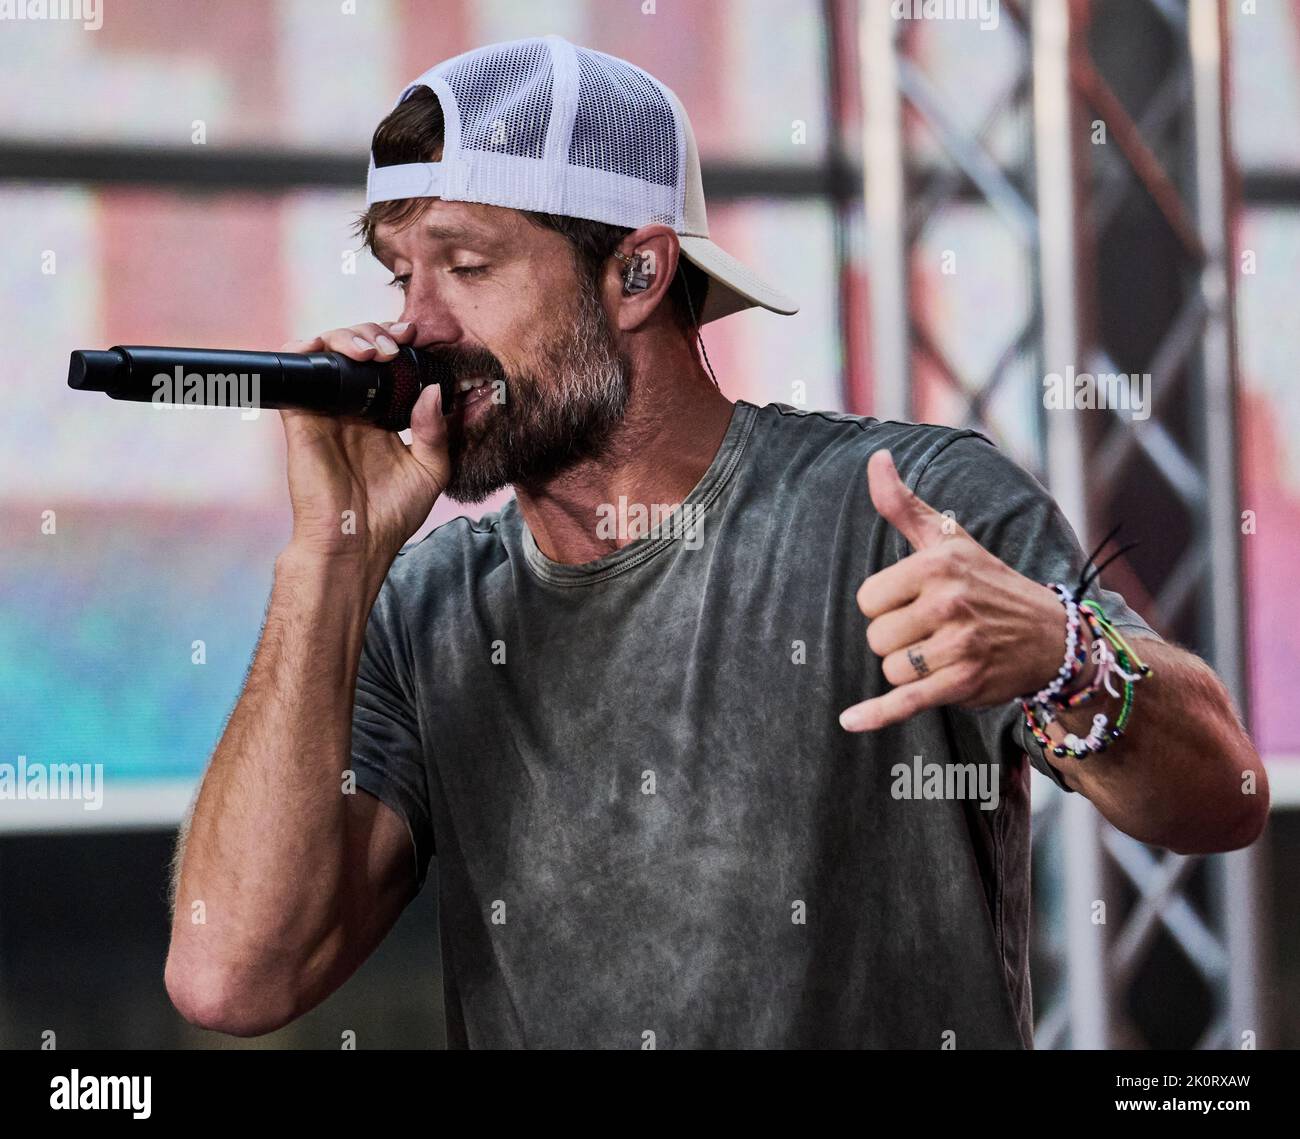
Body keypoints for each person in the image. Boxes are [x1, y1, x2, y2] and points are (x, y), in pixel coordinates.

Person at [164, 35, 1266, 1049]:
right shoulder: (426, 604)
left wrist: (1061, 653)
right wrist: (333, 557)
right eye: (401, 271)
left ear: (637, 274)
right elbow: (233, 978)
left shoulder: (898, 506)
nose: (417, 323)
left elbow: (1222, 795)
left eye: (466, 264)